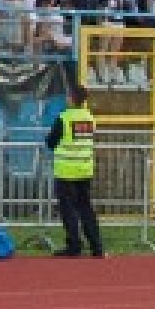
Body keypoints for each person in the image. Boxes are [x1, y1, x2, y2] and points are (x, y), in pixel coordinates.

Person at [44, 83, 104, 258]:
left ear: (71, 99)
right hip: (84, 169)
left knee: (68, 210)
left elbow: (51, 141)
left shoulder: (65, 118)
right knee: (86, 208)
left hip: (66, 170)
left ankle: (74, 244)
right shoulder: (89, 118)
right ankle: (96, 246)